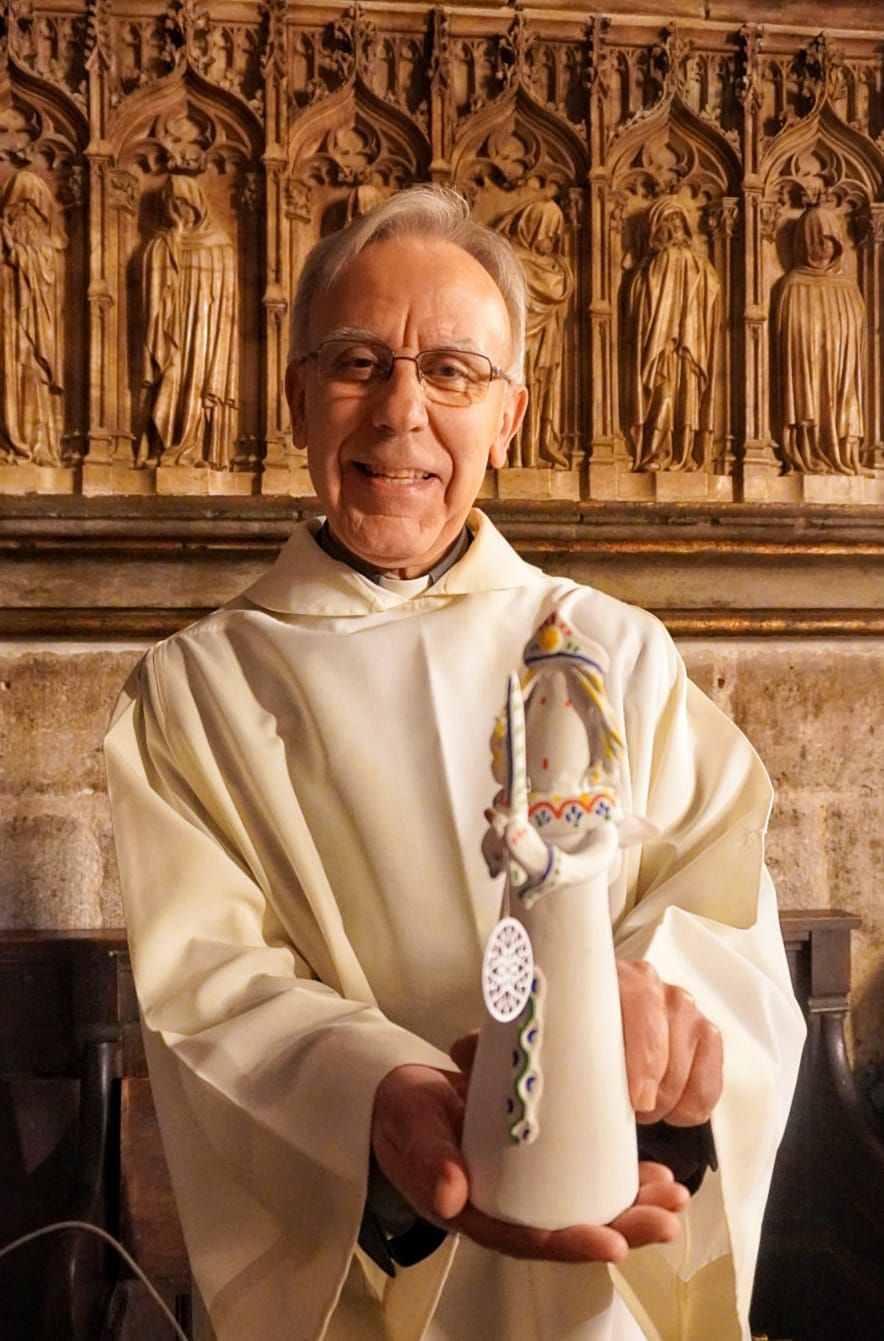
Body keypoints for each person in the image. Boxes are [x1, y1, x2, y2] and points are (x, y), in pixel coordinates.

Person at [105, 185, 805, 1341]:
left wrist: (656, 1010)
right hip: (376, 1268)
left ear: (509, 415)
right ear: (294, 398)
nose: (400, 414)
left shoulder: (610, 650)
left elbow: (717, 908)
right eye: (356, 363)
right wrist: (378, 1094)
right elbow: (212, 990)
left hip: (600, 1245)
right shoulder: (194, 689)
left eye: (451, 372)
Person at [137, 175, 238, 470]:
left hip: (206, 333)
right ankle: (164, 446)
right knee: (171, 378)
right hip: (174, 331)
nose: (180, 210)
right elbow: (154, 283)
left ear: (198, 204)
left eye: (184, 203)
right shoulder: (162, 243)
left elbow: (227, 300)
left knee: (198, 383)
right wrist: (174, 237)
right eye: (173, 204)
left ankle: (198, 448)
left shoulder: (220, 245)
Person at [625, 197, 719, 472]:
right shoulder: (655, 264)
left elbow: (711, 295)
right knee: (663, 393)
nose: (674, 227)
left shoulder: (692, 262)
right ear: (654, 229)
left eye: (678, 220)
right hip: (663, 347)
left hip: (687, 347)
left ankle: (683, 451)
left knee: (686, 396)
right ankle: (658, 451)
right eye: (667, 220)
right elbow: (641, 304)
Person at [773, 203, 866, 474]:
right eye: (818, 239)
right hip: (807, 366)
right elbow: (788, 336)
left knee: (842, 402)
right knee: (807, 400)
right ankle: (807, 451)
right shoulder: (791, 285)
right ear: (804, 242)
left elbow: (858, 335)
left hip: (841, 368)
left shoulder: (848, 288)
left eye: (830, 240)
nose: (824, 246)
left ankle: (845, 454)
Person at [0, 168, 64, 466]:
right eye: (17, 207)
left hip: (34, 333)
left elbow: (45, 279)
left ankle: (38, 443)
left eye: (31, 207)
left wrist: (16, 252)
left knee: (31, 375)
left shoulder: (47, 249)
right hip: (6, 329)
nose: (24, 214)